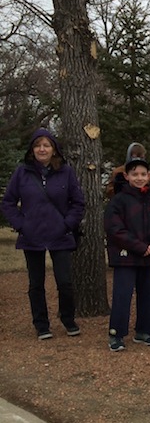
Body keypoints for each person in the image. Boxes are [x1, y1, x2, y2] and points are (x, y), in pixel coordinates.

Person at [1, 129, 85, 340]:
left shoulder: (66, 171)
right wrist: (22, 225)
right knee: (35, 283)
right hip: (32, 235)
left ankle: (68, 319)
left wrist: (67, 225)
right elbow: (8, 202)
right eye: (38, 145)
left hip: (60, 234)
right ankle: (41, 324)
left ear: (54, 149)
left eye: (46, 145)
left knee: (64, 282)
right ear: (32, 149)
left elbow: (78, 202)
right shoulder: (22, 172)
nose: (42, 149)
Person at [104, 157, 150, 351]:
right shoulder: (118, 200)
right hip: (125, 256)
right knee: (122, 296)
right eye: (135, 174)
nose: (139, 178)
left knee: (147, 294)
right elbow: (115, 229)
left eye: (143, 174)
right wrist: (140, 246)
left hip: (148, 256)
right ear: (127, 176)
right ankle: (116, 333)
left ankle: (144, 330)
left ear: (148, 176)